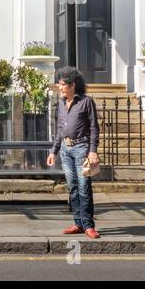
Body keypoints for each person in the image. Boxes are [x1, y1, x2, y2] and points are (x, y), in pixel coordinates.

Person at [46, 68, 101, 239]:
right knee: (73, 188)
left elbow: (94, 128)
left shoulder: (86, 102)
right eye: (60, 84)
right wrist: (54, 151)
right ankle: (78, 223)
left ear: (72, 85)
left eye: (62, 84)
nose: (60, 87)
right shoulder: (61, 103)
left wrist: (92, 150)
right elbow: (60, 129)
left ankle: (88, 225)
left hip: (81, 148)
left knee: (84, 187)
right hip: (65, 149)